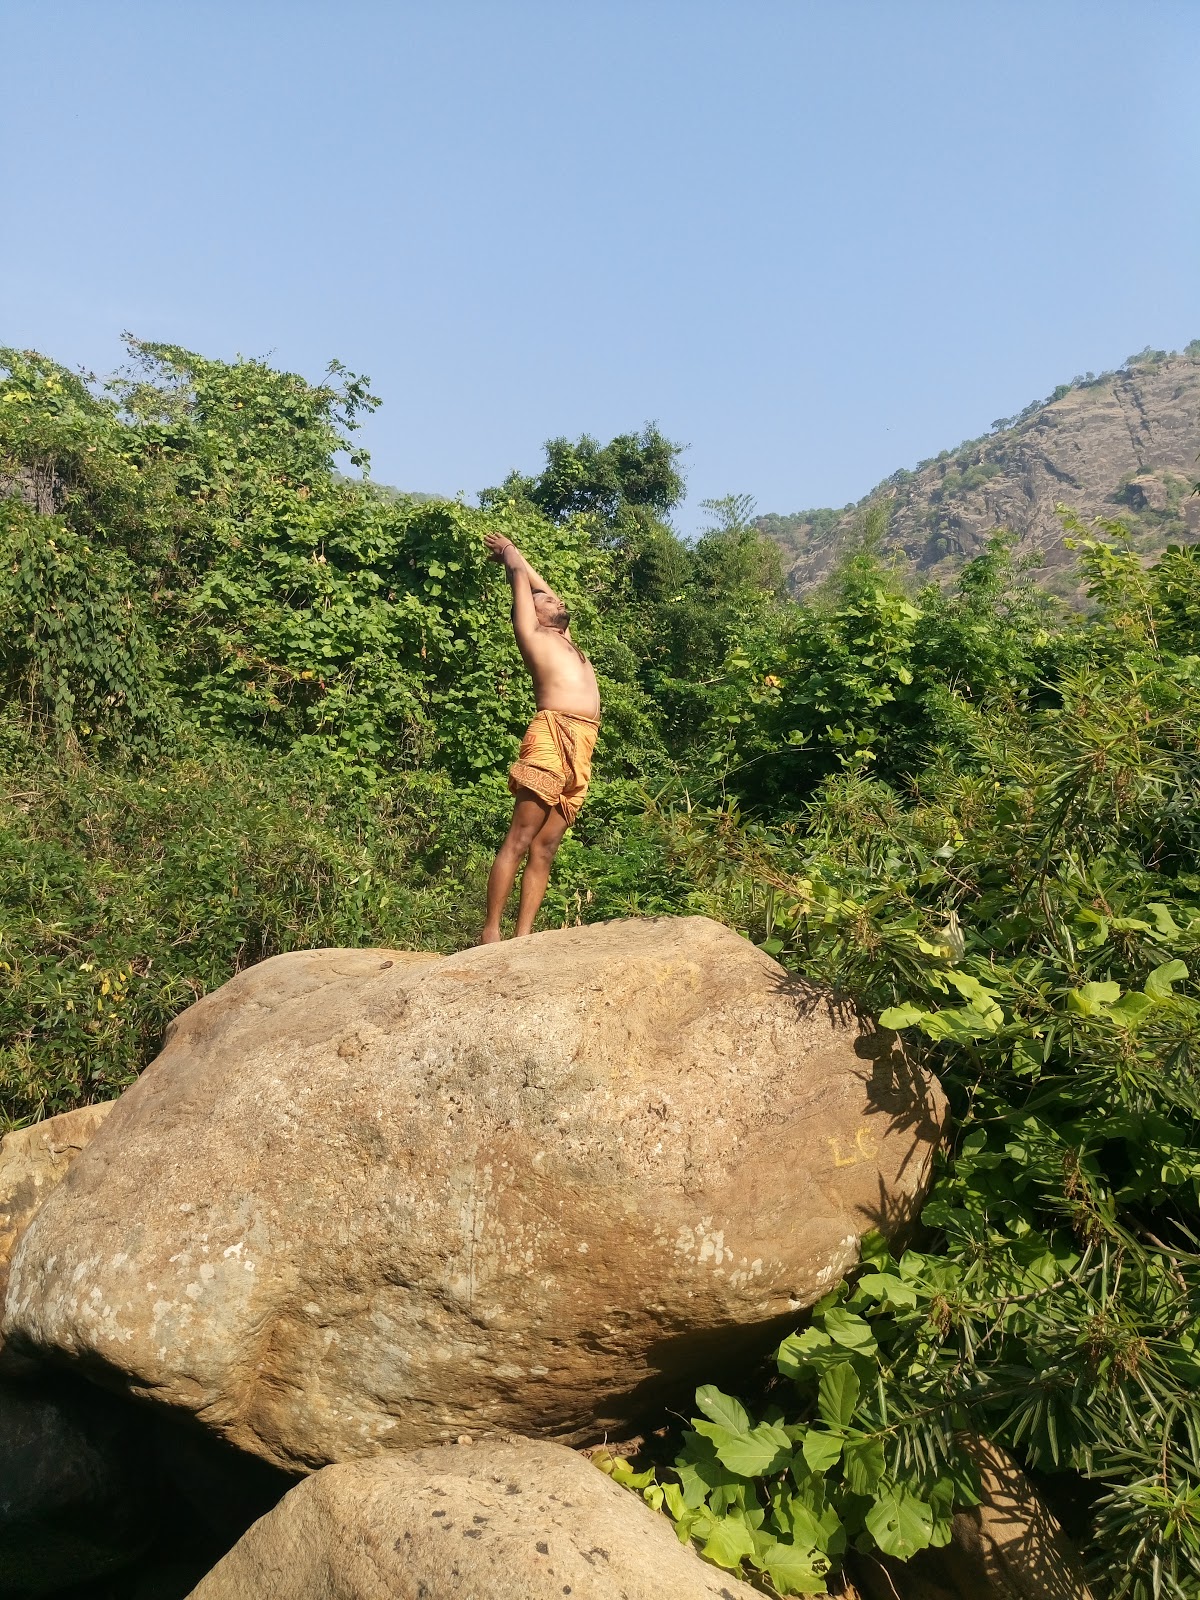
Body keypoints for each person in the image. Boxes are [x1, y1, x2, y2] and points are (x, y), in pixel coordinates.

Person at [479, 531, 601, 942]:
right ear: (532, 614)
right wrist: (510, 554)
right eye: (548, 601)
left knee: (546, 847)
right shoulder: (532, 634)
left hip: (583, 746)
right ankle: (491, 933)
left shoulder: (564, 638)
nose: (556, 600)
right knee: (521, 836)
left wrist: (520, 559)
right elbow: (524, 585)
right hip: (552, 733)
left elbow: (540, 586)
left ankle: (523, 938)